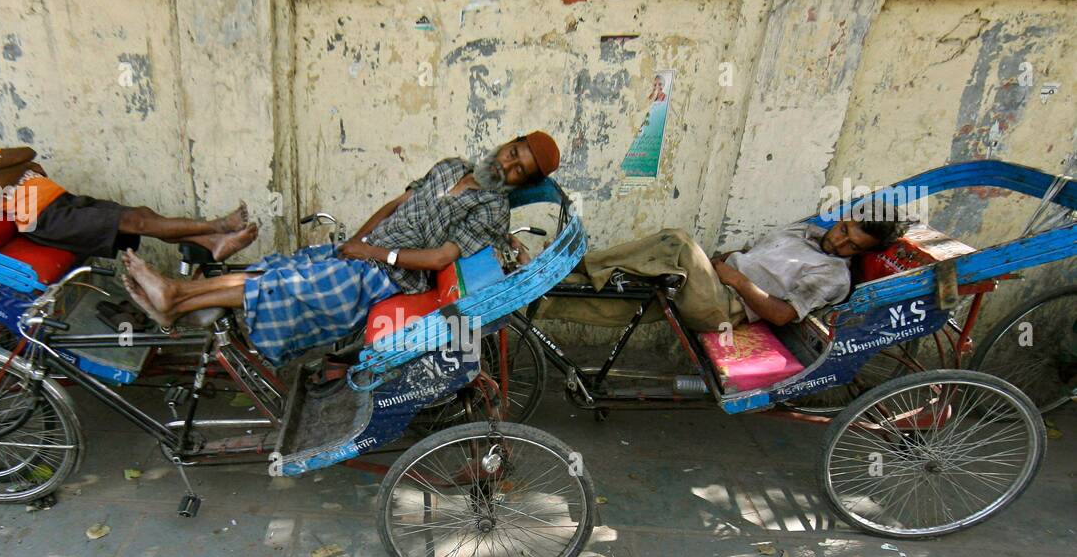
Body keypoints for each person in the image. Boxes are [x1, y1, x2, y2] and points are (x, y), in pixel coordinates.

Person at [122, 132, 562, 364]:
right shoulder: (451, 166)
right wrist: (358, 240)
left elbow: (441, 258)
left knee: (284, 286)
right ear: (507, 143)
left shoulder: (490, 209)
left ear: (522, 182)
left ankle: (176, 296)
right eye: (512, 153)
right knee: (274, 272)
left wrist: (375, 255)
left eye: (518, 170)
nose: (506, 165)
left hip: (387, 276)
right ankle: (175, 302)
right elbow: (396, 205)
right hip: (365, 253)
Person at [0, 99, 257, 261]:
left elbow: (28, 152)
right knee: (137, 221)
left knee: (142, 213)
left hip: (59, 200)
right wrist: (12, 171)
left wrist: (1, 165)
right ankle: (218, 227)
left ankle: (211, 243)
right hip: (44, 218)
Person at [541, 218, 909, 330]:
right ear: (844, 219)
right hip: (711, 284)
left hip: (724, 307)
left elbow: (783, 314)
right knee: (627, 299)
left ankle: (571, 262)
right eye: (844, 231)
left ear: (861, 253)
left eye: (851, 246)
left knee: (678, 241)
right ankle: (540, 297)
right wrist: (726, 261)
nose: (840, 242)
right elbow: (754, 253)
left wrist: (735, 279)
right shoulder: (805, 232)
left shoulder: (833, 274)